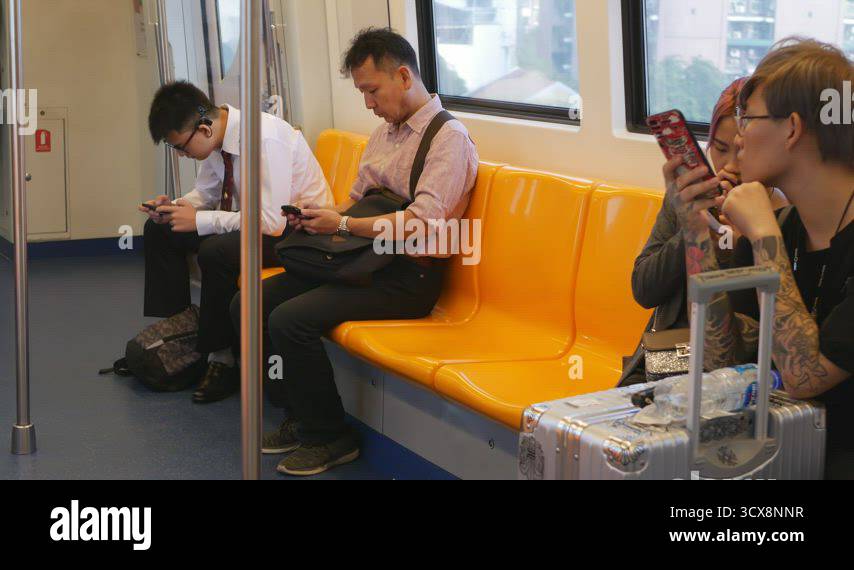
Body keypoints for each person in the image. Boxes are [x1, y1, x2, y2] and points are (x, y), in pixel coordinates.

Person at [231, 28, 479, 476]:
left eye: (371, 90)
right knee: (248, 304)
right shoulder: (386, 132)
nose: (368, 103)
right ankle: (299, 414)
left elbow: (422, 223)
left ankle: (330, 436)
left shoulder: (449, 139)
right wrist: (318, 216)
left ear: (403, 76)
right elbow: (355, 199)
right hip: (361, 260)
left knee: (291, 319)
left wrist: (343, 224)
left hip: (407, 276)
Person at [670, 38, 854, 479]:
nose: (738, 136)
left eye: (746, 118)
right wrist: (696, 235)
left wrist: (764, 232)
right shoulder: (786, 227)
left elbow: (805, 377)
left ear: (791, 128)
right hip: (789, 447)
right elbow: (718, 360)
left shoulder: (770, 228)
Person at [142, 81, 332, 404]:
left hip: (300, 232)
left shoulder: (264, 139)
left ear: (203, 129)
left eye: (182, 148)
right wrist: (175, 206)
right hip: (265, 225)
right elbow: (206, 194)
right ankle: (181, 333)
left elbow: (271, 223)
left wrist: (201, 220)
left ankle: (222, 360)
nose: (183, 156)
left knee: (216, 250)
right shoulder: (217, 140)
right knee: (159, 230)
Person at [621, 78, 787, 386]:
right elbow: (643, 289)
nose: (730, 165)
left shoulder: (784, 217)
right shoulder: (690, 199)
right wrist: (693, 228)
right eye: (720, 149)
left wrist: (749, 234)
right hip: (671, 361)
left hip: (744, 376)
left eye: (743, 150)